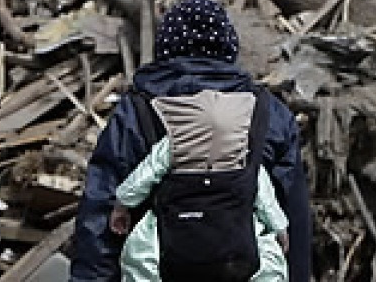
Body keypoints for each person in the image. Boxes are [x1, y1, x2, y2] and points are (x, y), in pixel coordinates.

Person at [70, 0, 311, 282]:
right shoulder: (268, 112)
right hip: (243, 268)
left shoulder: (136, 110)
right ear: (229, 46)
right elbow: (293, 212)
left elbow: (100, 212)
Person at [107, 91, 290, 281]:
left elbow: (142, 178)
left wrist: (122, 206)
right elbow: (267, 200)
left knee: (138, 256)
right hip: (234, 246)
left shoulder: (173, 146)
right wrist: (280, 229)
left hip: (175, 237)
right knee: (270, 263)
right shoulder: (244, 156)